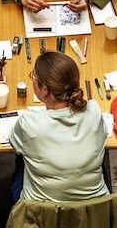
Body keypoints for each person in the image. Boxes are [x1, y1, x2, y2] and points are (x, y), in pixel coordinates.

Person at [10, 51, 109, 202]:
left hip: (41, 210)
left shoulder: (28, 123)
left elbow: (15, 144)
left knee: (22, 156)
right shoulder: (93, 111)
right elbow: (102, 137)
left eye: (34, 77)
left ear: (45, 90)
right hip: (94, 208)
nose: (33, 80)